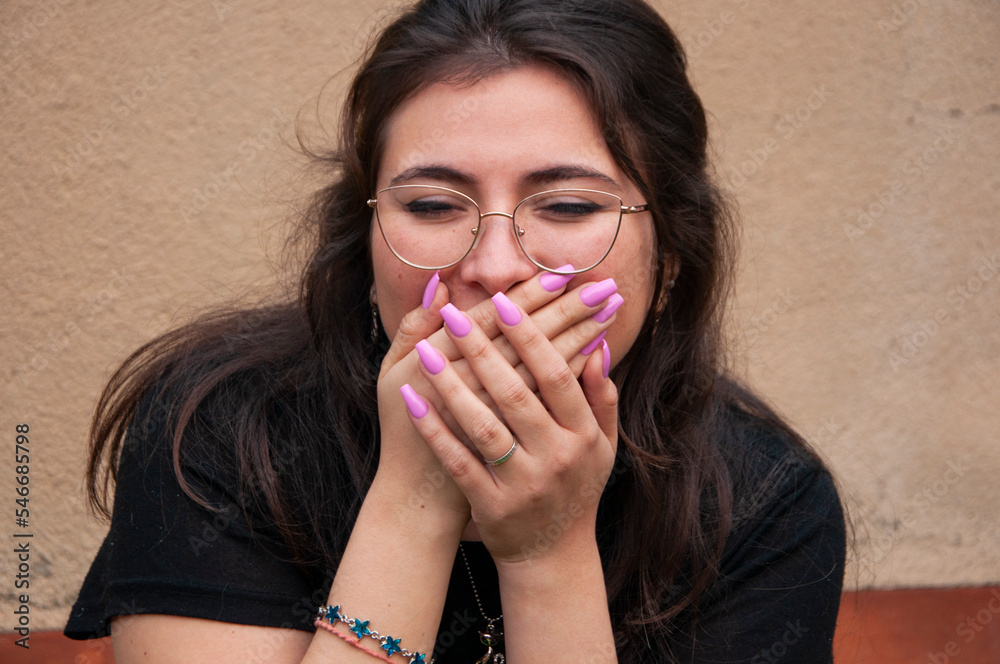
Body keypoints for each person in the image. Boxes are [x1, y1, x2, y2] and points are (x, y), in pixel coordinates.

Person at [65, 0, 846, 662]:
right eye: (434, 207)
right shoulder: (220, 429)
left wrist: (548, 550)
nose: (495, 266)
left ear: (672, 252)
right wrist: (416, 496)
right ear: (364, 237)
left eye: (568, 207)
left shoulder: (766, 502)